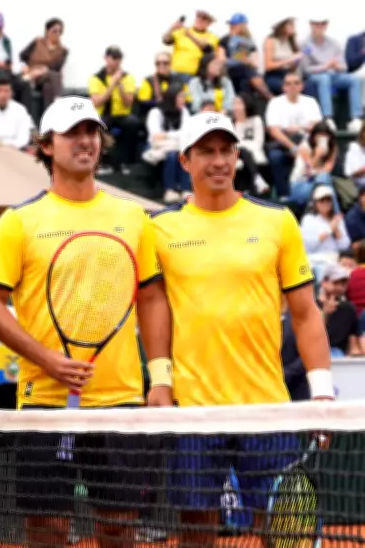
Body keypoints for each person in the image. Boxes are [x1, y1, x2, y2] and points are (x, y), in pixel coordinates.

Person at [0, 96, 174, 548]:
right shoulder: (18, 221)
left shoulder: (132, 217)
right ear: (47, 146)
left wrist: (159, 379)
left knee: (119, 530)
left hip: (121, 402)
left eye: (92, 132)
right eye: (72, 133)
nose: (85, 141)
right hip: (43, 403)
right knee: (47, 531)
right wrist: (48, 360)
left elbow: (152, 296)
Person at [151, 112, 334, 548]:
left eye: (226, 150)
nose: (218, 161)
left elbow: (306, 314)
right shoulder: (159, 228)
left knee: (284, 534)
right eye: (207, 152)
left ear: (237, 155)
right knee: (196, 533)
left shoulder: (277, 221)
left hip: (266, 406)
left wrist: (322, 390)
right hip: (193, 410)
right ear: (185, 160)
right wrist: (160, 380)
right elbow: (152, 307)